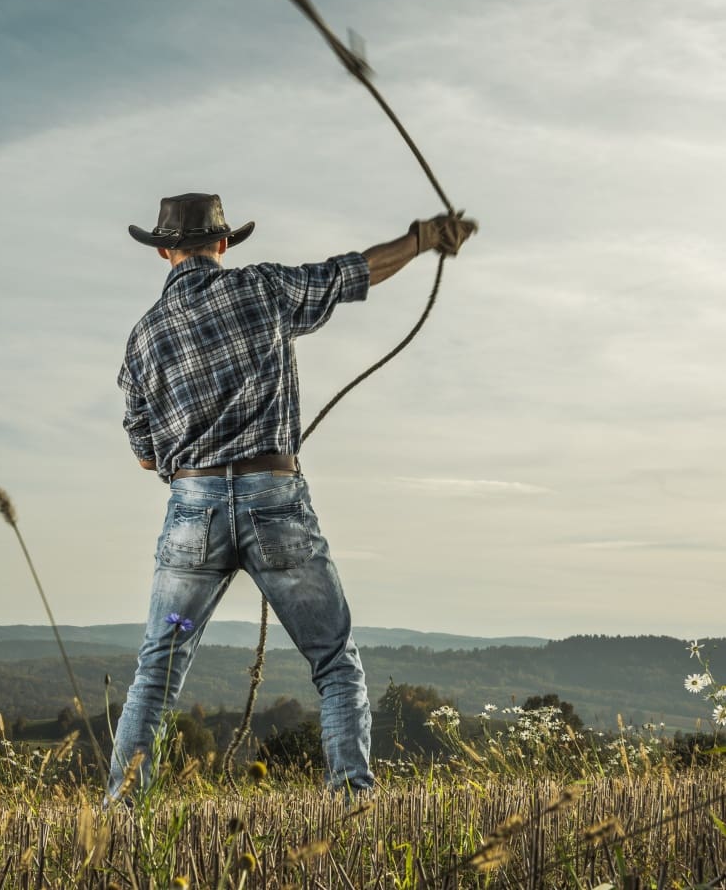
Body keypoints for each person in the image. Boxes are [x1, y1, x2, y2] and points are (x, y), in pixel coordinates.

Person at [108, 192, 476, 800]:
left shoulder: (143, 337)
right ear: (222, 243)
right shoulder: (263, 289)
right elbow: (352, 273)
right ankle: (349, 802)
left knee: (156, 676)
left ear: (164, 252)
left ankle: (122, 811)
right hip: (275, 501)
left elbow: (145, 452)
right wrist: (424, 238)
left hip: (192, 512)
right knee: (333, 662)